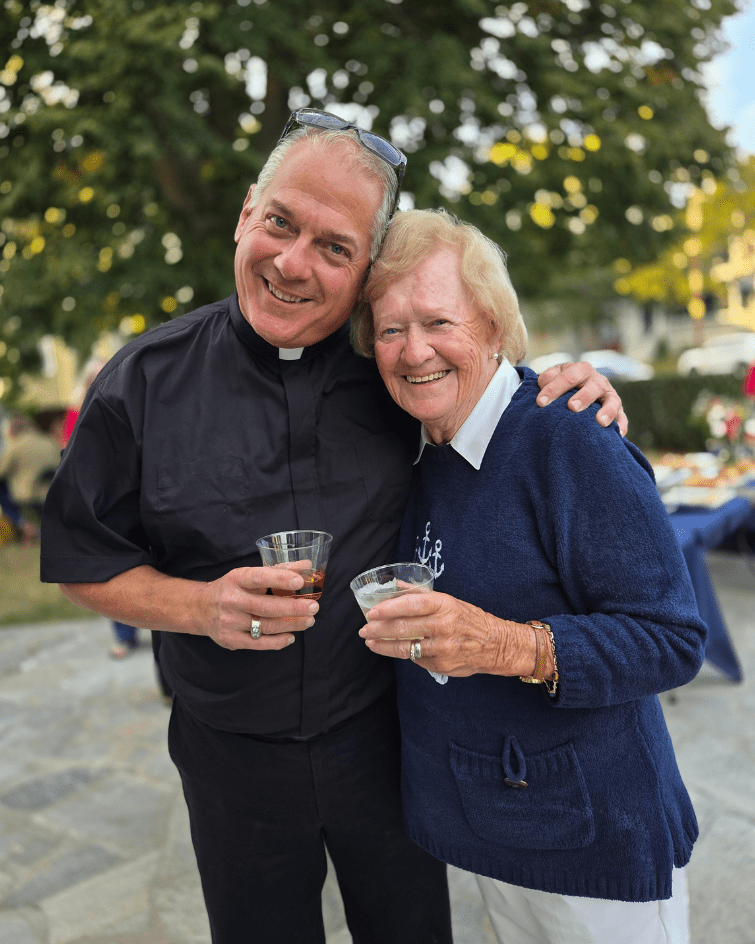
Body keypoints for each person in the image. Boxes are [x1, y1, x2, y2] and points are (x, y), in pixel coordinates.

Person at [41, 110, 625, 944]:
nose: (292, 263)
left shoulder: (397, 366)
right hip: (229, 752)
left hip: (387, 738)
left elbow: (495, 393)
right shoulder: (140, 381)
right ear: (247, 212)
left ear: (362, 275)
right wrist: (199, 607)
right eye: (280, 223)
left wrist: (570, 389)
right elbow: (77, 559)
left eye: (335, 247)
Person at [354, 208, 707, 944]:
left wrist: (506, 646)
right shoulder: (417, 448)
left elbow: (671, 638)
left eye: (437, 322)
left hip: (592, 843)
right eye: (389, 329)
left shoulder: (565, 435)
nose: (412, 349)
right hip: (494, 827)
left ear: (492, 325)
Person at [0, 414, 61, 537]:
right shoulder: (49, 440)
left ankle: (24, 524)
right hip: (53, 493)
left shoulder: (16, 446)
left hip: (30, 494)